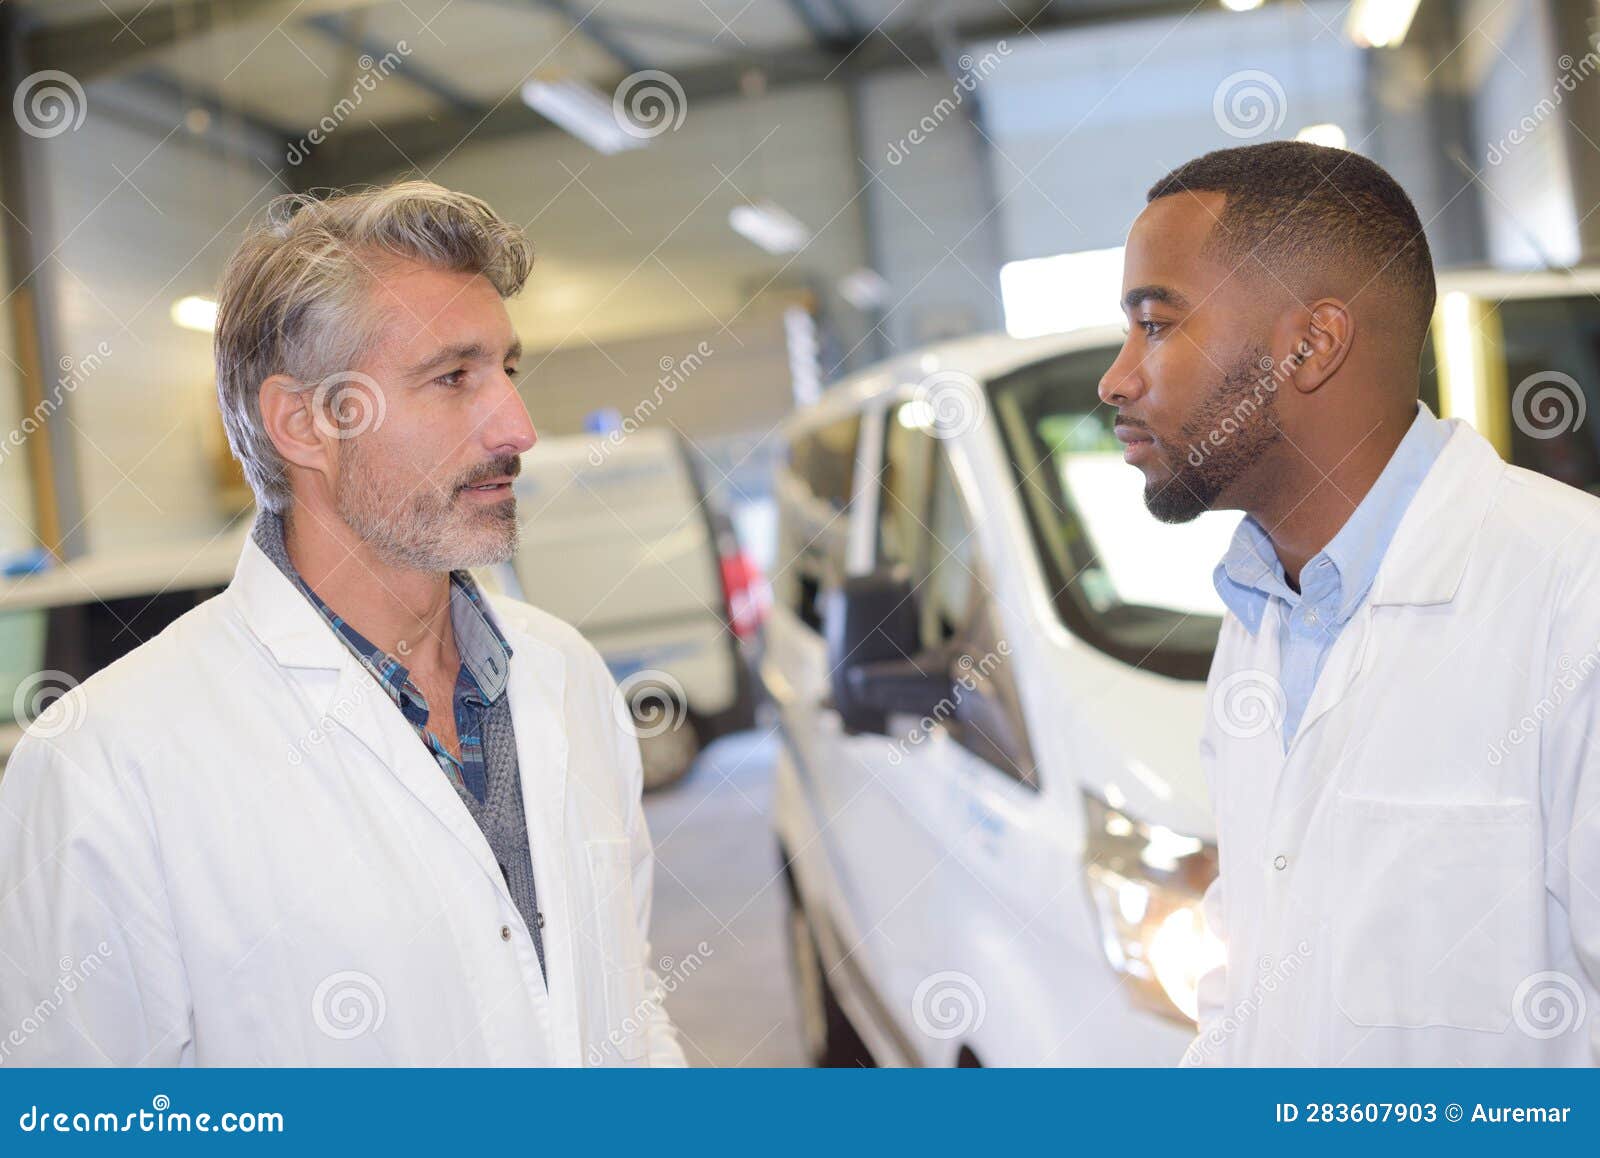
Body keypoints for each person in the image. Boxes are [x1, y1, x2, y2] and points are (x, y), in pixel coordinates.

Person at [0, 180, 685, 1066]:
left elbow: (628, 1009)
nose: (518, 425)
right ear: (304, 422)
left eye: (508, 370)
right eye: (452, 377)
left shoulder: (566, 674)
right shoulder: (105, 767)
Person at [1101, 140, 1600, 1064]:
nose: (1118, 378)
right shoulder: (1264, 609)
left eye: (1157, 325)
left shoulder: (1575, 598)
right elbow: (1243, 989)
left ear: (1312, 345)